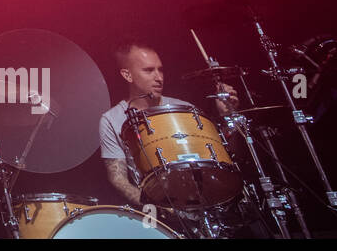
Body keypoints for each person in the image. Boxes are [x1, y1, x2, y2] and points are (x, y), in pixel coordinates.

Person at [98, 41, 238, 213]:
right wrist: (158, 208)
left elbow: (224, 158)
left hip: (203, 202)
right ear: (127, 75)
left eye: (160, 69)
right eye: (149, 70)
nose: (159, 77)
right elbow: (118, 179)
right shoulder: (111, 119)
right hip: (157, 211)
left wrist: (227, 117)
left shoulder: (185, 108)